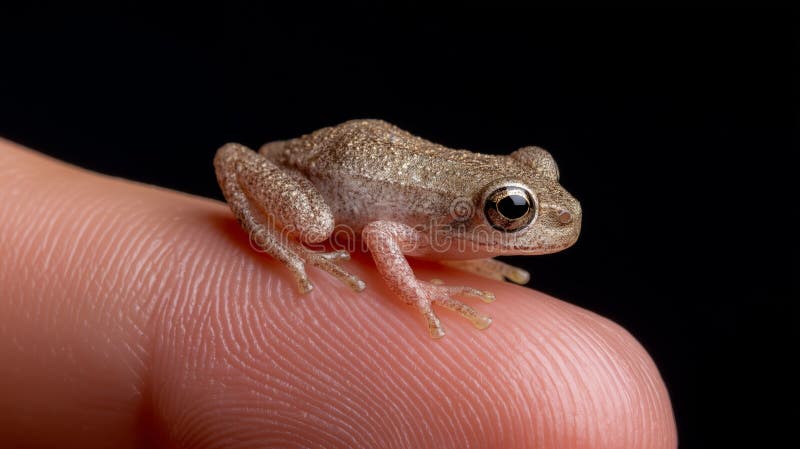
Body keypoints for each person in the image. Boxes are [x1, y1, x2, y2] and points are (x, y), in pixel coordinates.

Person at [0, 138, 677, 448]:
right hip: (321, 180)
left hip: (360, 152)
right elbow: (382, 230)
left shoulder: (452, 212)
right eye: (510, 209)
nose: (533, 216)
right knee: (322, 226)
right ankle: (282, 238)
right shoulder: (430, 214)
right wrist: (418, 297)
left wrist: (476, 255)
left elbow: (416, 227)